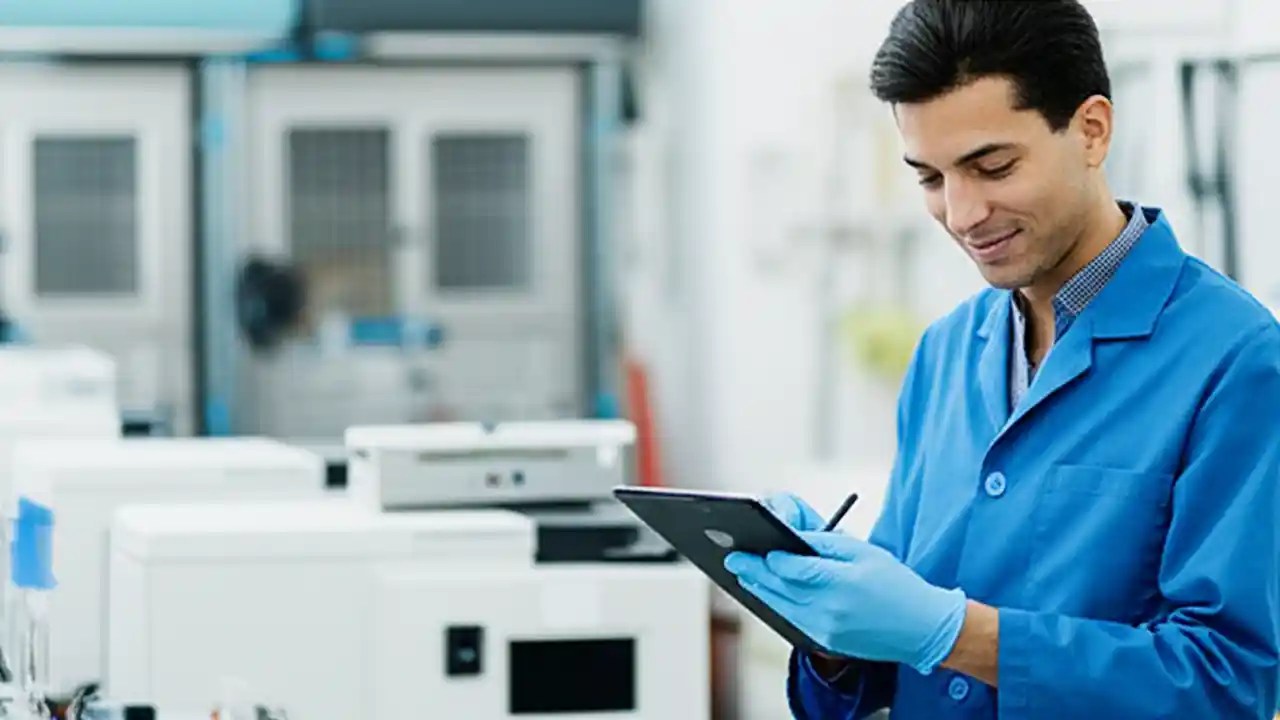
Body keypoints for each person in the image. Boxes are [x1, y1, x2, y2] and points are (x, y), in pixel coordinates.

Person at [721, 1, 1280, 718]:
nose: (961, 214)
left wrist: (957, 635)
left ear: (1092, 130)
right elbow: (892, 655)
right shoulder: (945, 353)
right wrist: (832, 623)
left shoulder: (1235, 361)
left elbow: (1224, 685)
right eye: (931, 179)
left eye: (993, 167)